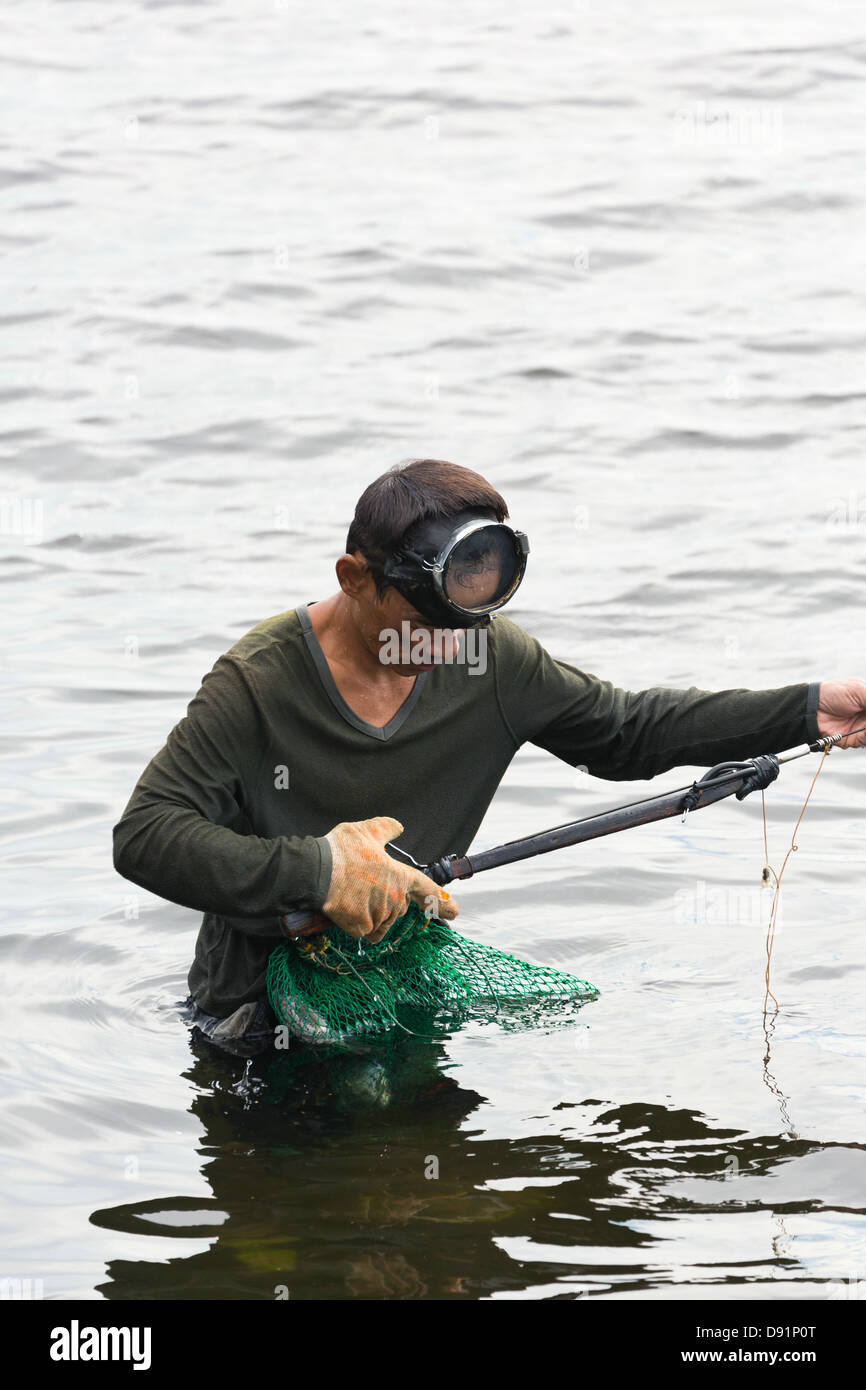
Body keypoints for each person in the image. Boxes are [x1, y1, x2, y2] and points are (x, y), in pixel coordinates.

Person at [112, 458, 866, 1054]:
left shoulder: (484, 654)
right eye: (423, 624)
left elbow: (628, 731)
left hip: (404, 993)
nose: (442, 649)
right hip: (255, 1022)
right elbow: (145, 835)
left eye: (465, 627)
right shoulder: (257, 681)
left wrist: (804, 708)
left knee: (444, 1224)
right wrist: (322, 871)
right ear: (354, 578)